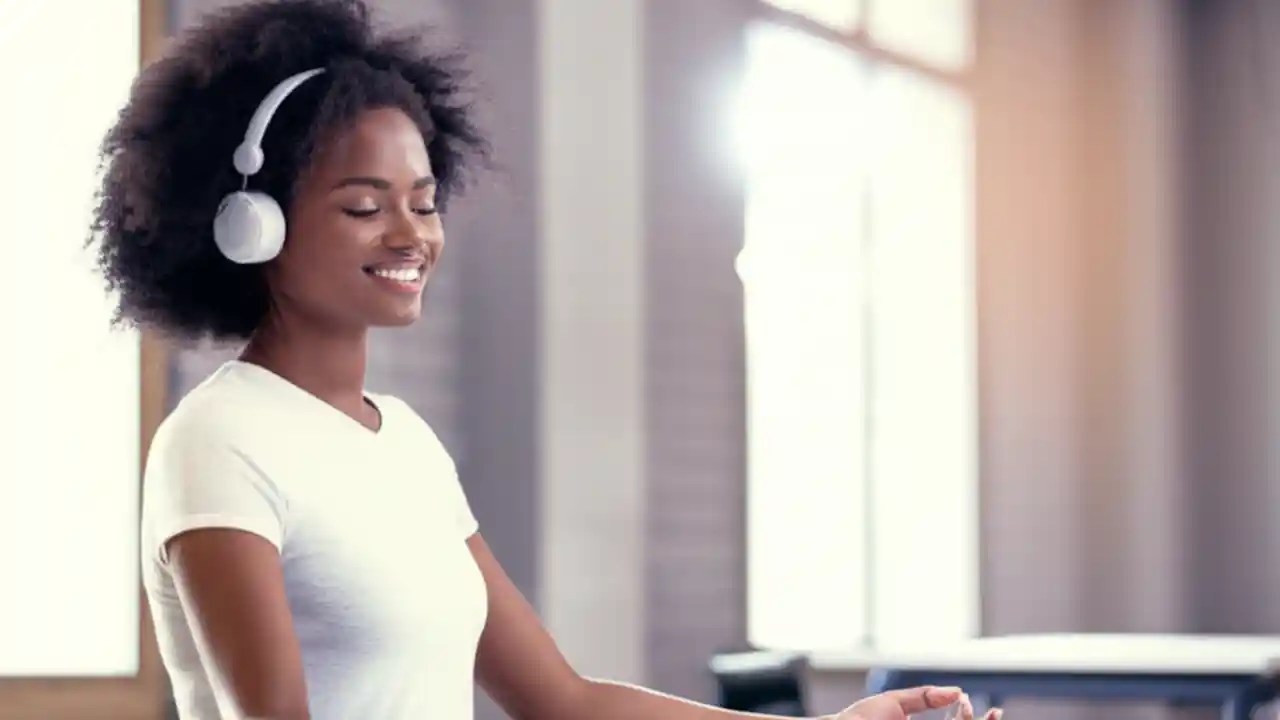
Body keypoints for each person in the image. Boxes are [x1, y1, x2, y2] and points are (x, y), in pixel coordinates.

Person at [90, 1, 1004, 719]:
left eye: (423, 199)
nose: (412, 233)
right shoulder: (218, 439)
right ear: (255, 228)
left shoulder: (400, 443)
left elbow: (562, 700)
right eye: (365, 207)